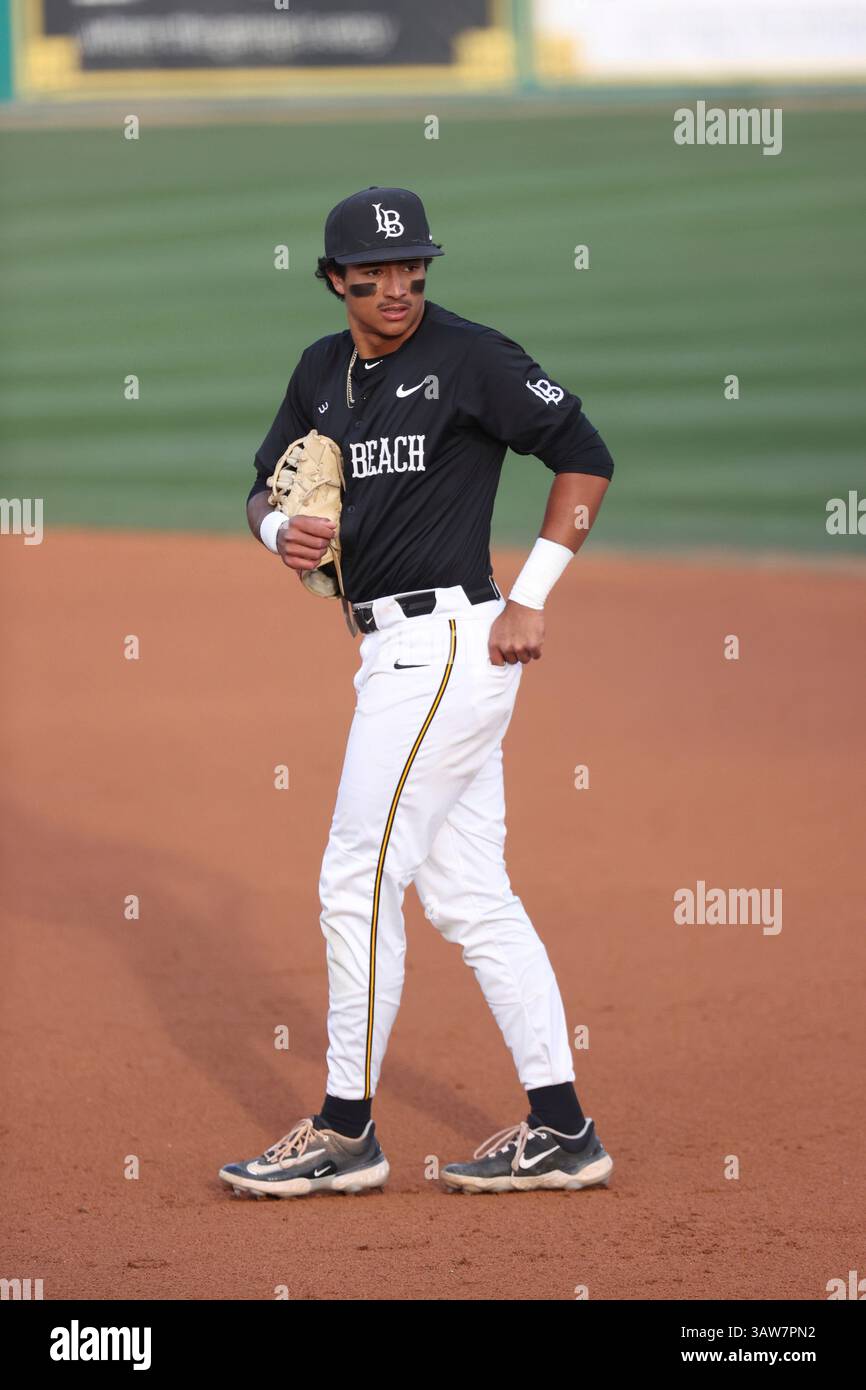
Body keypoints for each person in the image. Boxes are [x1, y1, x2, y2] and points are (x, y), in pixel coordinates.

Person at [219, 186, 615, 1198]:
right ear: (334, 278)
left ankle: (346, 1130)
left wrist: (529, 597)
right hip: (388, 653)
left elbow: (582, 454)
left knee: (354, 876)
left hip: (447, 646)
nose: (396, 287)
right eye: (374, 272)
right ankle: (563, 1130)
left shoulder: (470, 356)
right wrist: (279, 533)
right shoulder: (320, 371)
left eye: (412, 268)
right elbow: (262, 484)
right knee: (469, 895)